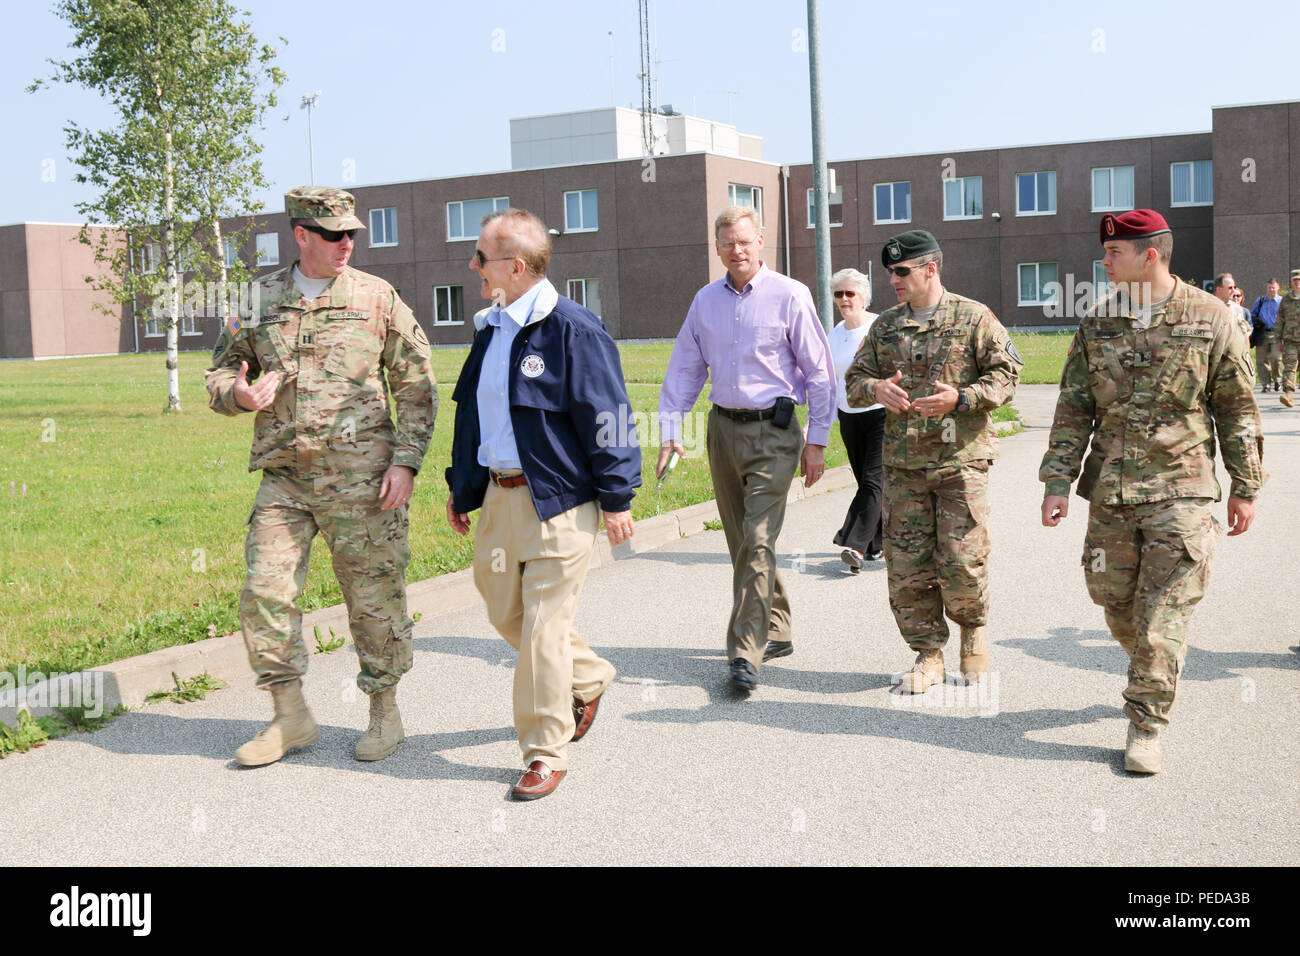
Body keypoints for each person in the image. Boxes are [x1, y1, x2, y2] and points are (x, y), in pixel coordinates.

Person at [204, 186, 437, 766]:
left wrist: (406, 461)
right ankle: (290, 715)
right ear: (301, 234)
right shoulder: (257, 299)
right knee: (264, 591)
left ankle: (385, 710)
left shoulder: (376, 297)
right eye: (334, 234)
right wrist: (234, 392)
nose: (347, 243)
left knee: (374, 596)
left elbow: (416, 383)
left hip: (363, 479)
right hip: (285, 476)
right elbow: (221, 366)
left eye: (352, 233)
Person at [1040, 209, 1263, 774]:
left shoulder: (1211, 318)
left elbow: (1237, 408)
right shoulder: (1097, 322)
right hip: (1111, 491)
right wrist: (1058, 481)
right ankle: (1151, 664)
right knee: (1116, 606)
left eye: (1115, 253)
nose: (1106, 262)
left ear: (1151, 255)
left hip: (1182, 491)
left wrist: (1245, 486)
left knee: (1163, 612)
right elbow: (1074, 407)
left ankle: (1146, 724)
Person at [445, 207, 640, 801]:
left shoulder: (573, 330)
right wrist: (463, 487)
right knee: (505, 613)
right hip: (501, 499)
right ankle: (590, 675)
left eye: (481, 256)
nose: (472, 264)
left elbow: (608, 416)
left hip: (559, 503)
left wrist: (616, 497)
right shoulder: (491, 329)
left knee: (543, 633)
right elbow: (473, 417)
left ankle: (543, 753)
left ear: (516, 266)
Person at [657, 205, 834, 692]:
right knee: (744, 542)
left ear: (762, 242)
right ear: (716, 248)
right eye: (727, 243)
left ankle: (745, 653)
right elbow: (685, 369)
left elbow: (819, 373)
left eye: (744, 241)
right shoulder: (705, 301)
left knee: (756, 541)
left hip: (774, 435)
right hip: (722, 433)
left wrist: (816, 441)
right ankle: (776, 627)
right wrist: (672, 431)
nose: (737, 250)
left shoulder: (790, 296)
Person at [844, 229, 1021, 692]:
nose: (894, 281)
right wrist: (876, 389)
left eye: (902, 272)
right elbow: (854, 380)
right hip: (903, 467)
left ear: (931, 269)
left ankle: (972, 632)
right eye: (889, 274)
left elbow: (1007, 376)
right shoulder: (885, 325)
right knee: (907, 567)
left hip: (960, 462)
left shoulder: (973, 317)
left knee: (962, 559)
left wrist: (962, 398)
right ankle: (927, 655)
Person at [827, 267, 884, 570]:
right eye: (839, 294)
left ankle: (855, 545)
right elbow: (830, 379)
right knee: (866, 480)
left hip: (881, 413)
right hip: (849, 415)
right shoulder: (835, 333)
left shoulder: (880, 327)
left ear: (864, 296)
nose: (844, 299)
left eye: (850, 293)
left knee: (874, 481)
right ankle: (878, 542)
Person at [1250, 278, 1282, 391]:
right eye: (1269, 287)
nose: (1271, 290)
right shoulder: (1261, 300)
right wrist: (1255, 321)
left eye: (1273, 287)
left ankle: (1277, 380)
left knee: (1276, 357)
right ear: (1266, 288)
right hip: (1262, 333)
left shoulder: (1281, 301)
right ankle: (1266, 384)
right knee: (1261, 360)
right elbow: (1252, 314)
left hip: (1277, 334)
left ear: (1278, 288)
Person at [1274, 269, 1300, 407]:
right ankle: (1289, 395)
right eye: (1295, 281)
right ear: (1292, 283)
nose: (1298, 283)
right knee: (1289, 367)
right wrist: (1278, 339)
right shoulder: (1286, 299)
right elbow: (1280, 319)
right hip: (1290, 340)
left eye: (1299, 280)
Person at [1213, 273, 1253, 344]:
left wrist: (1246, 354)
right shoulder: (1208, 306)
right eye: (1230, 288)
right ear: (1219, 289)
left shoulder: (1237, 309)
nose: (1234, 291)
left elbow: (1244, 334)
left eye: (1234, 287)